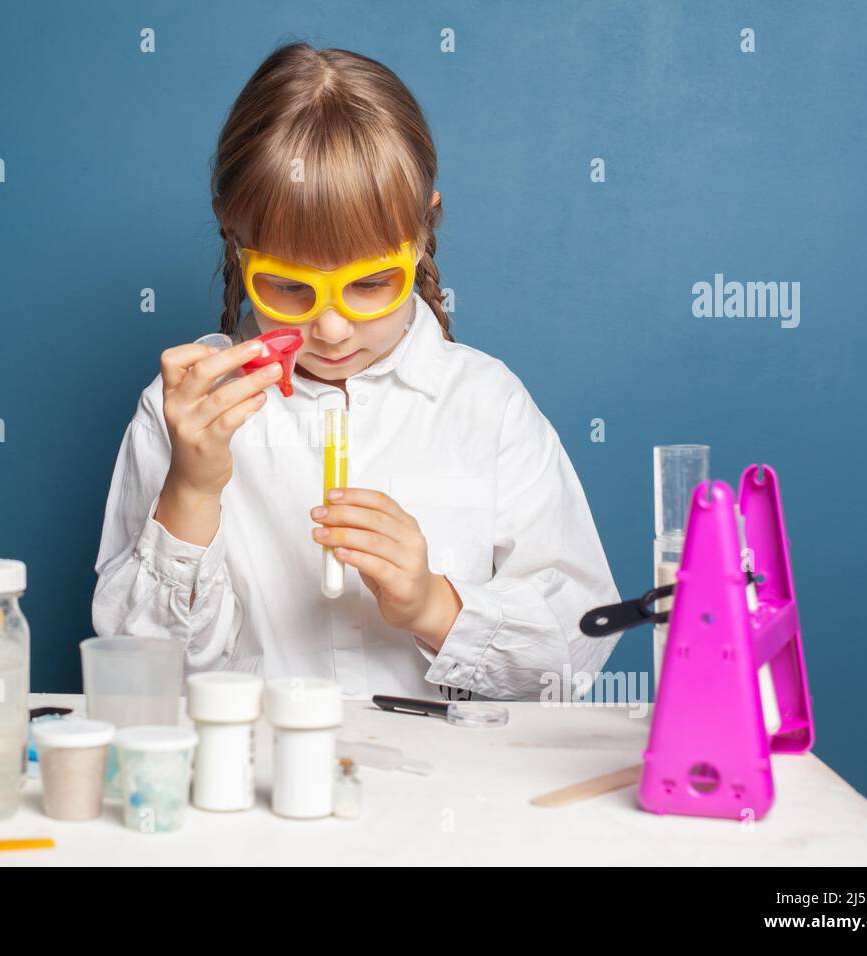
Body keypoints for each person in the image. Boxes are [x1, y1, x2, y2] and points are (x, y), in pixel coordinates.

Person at [92, 43, 620, 700]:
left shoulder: (487, 405)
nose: (332, 329)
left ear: (423, 231)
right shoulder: (184, 413)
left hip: (447, 792)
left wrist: (433, 606)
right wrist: (191, 493)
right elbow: (142, 681)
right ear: (235, 240)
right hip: (251, 791)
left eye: (371, 284)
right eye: (288, 287)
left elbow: (577, 654)